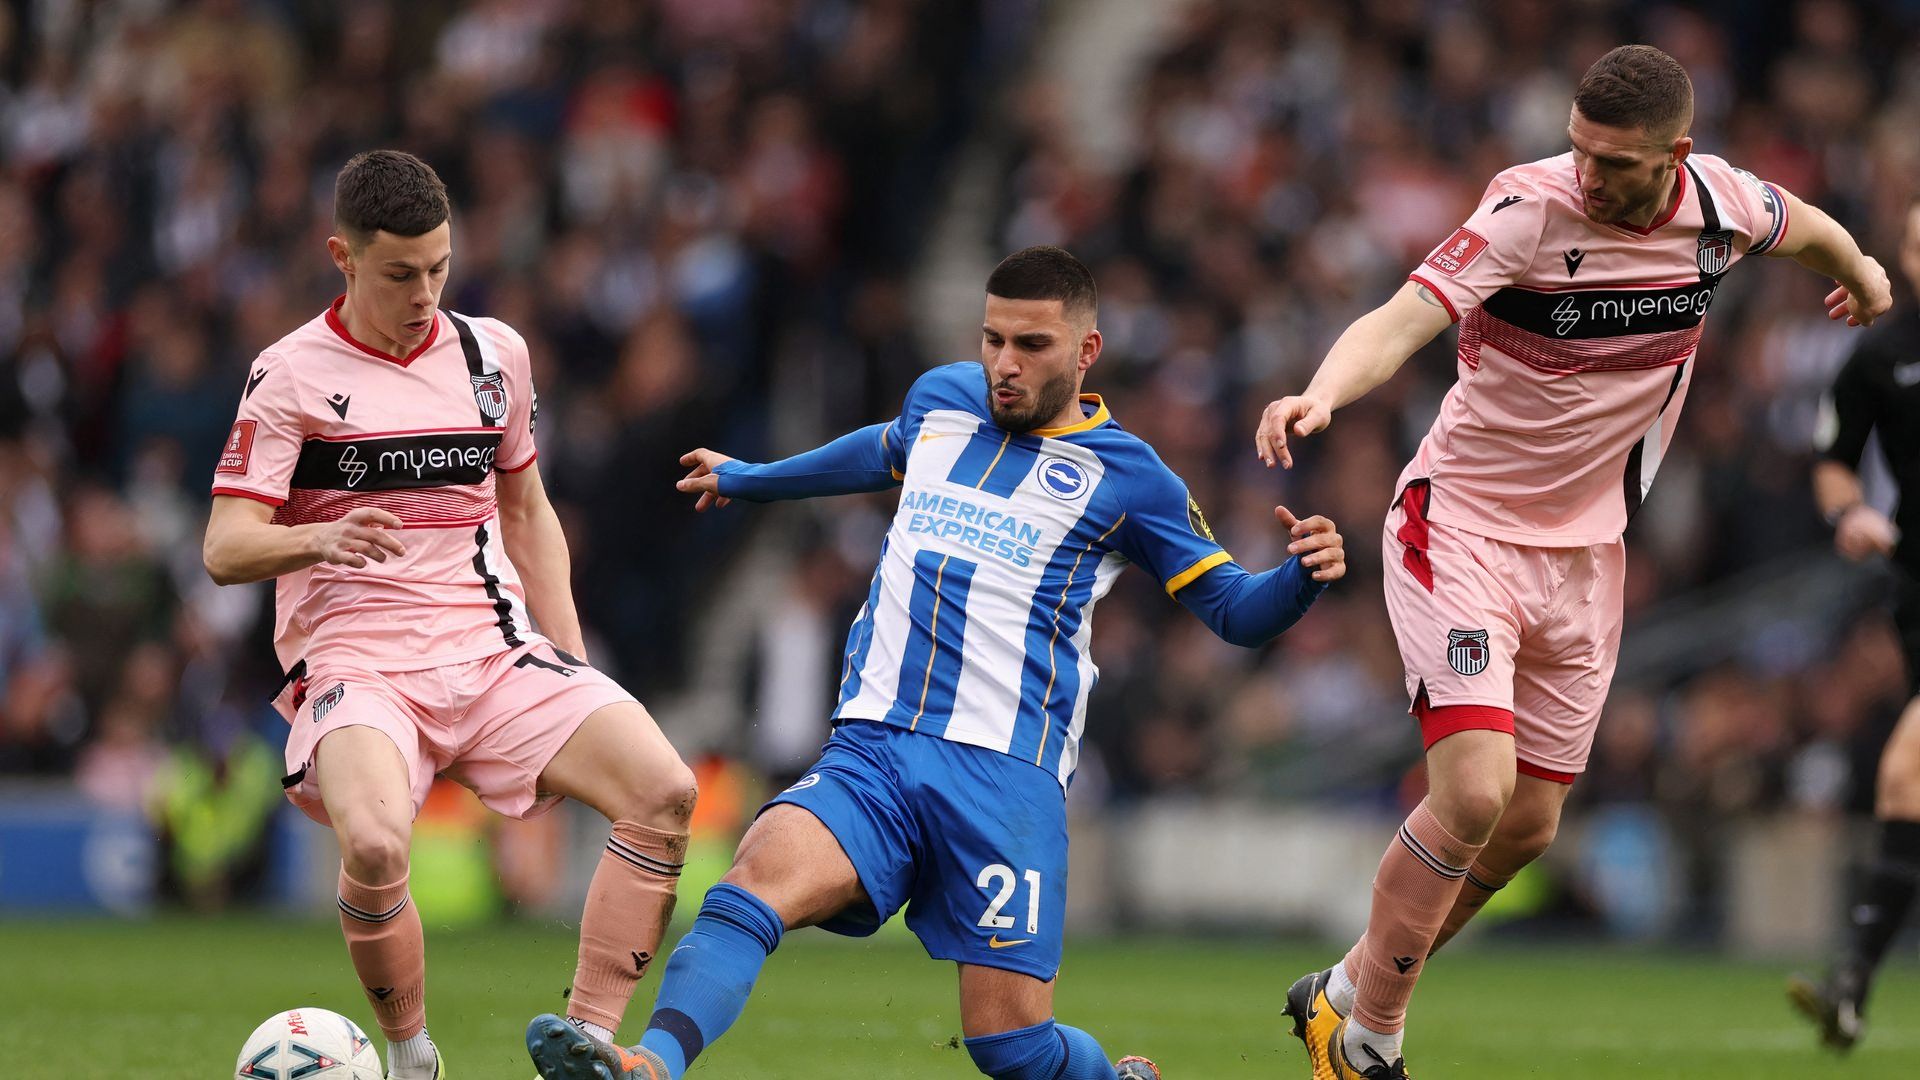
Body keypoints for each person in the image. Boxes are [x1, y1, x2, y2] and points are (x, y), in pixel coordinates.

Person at [523, 244, 1349, 1080]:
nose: (1004, 365)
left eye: (1032, 346)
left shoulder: (1135, 481)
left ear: (1086, 352)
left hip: (1003, 781)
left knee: (1012, 1047)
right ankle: (648, 1066)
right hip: (874, 750)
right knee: (748, 886)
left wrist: (1299, 578)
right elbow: (876, 450)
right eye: (993, 340)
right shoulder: (942, 399)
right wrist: (753, 478)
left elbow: (1236, 612)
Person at [1253, 45, 1892, 1080]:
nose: (1588, 174)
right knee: (1471, 794)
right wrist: (1324, 393)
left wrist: (1861, 275)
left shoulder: (1718, 205)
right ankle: (1366, 1045)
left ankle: (1342, 993)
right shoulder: (1526, 210)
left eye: (1614, 161)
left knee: (1528, 827)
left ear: (1674, 157)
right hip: (1458, 527)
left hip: (1589, 555)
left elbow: (1806, 226)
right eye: (1579, 148)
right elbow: (1403, 317)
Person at [203, 150, 698, 1080]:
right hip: (357, 661)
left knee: (664, 790)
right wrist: (317, 539)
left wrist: (573, 658)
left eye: (439, 267)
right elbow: (225, 547)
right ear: (341, 257)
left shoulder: (492, 353)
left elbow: (526, 510)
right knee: (380, 843)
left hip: (490, 647)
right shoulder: (290, 376)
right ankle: (411, 1054)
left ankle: (588, 1042)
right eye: (399, 273)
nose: (426, 293)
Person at [1790, 193, 1920, 1052]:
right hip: (1915, 589)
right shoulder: (1882, 356)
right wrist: (1849, 518)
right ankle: (1849, 995)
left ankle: (1849, 984)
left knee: (1906, 776)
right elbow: (1834, 464)